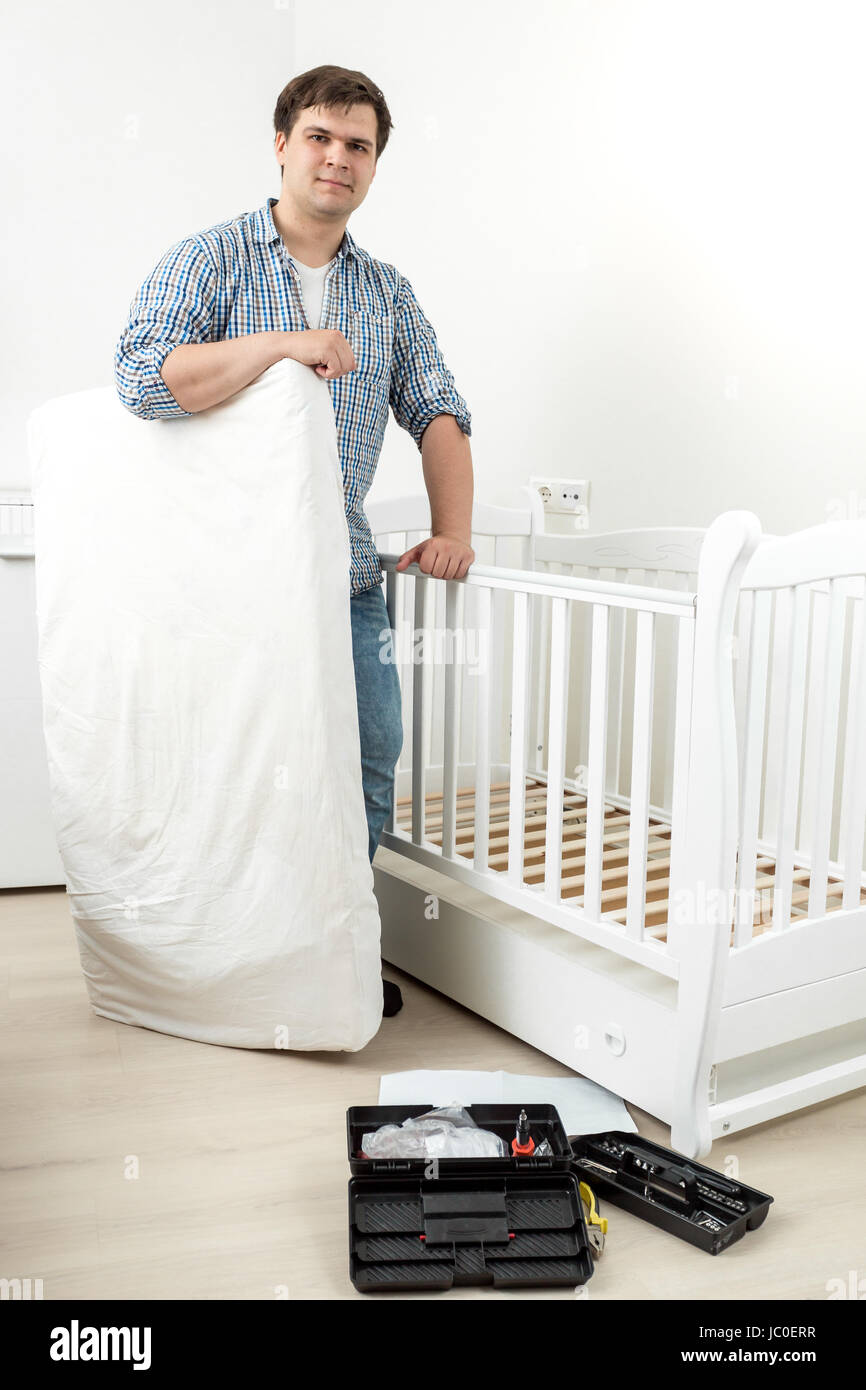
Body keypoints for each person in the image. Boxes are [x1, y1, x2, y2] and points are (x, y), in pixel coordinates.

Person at [114, 64, 476, 1019]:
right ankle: (230, 957)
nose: (337, 158)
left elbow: (438, 408)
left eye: (358, 146)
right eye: (320, 137)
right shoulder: (212, 259)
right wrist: (281, 345)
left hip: (341, 575)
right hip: (227, 577)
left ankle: (334, 952)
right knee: (232, 765)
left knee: (366, 755)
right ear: (282, 144)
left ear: (373, 167)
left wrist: (453, 530)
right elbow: (147, 380)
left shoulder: (386, 291)